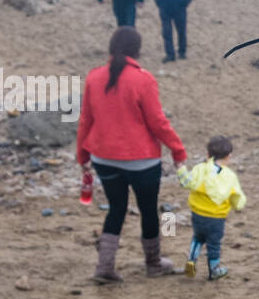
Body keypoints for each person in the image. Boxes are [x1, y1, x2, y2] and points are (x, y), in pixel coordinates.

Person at [76, 27, 187, 282]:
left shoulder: (94, 77)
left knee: (116, 209)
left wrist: (82, 156)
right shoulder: (142, 79)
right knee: (148, 210)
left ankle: (104, 268)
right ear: (137, 50)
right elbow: (157, 122)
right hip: (141, 160)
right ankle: (153, 263)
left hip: (104, 157)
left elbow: (86, 121)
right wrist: (177, 149)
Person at [176, 136, 246, 280]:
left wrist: (181, 169)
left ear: (208, 154)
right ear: (228, 156)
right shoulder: (229, 177)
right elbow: (236, 196)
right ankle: (214, 269)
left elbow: (186, 182)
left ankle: (191, 259)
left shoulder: (200, 169)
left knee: (198, 237)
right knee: (214, 244)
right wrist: (238, 206)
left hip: (198, 215)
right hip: (216, 218)